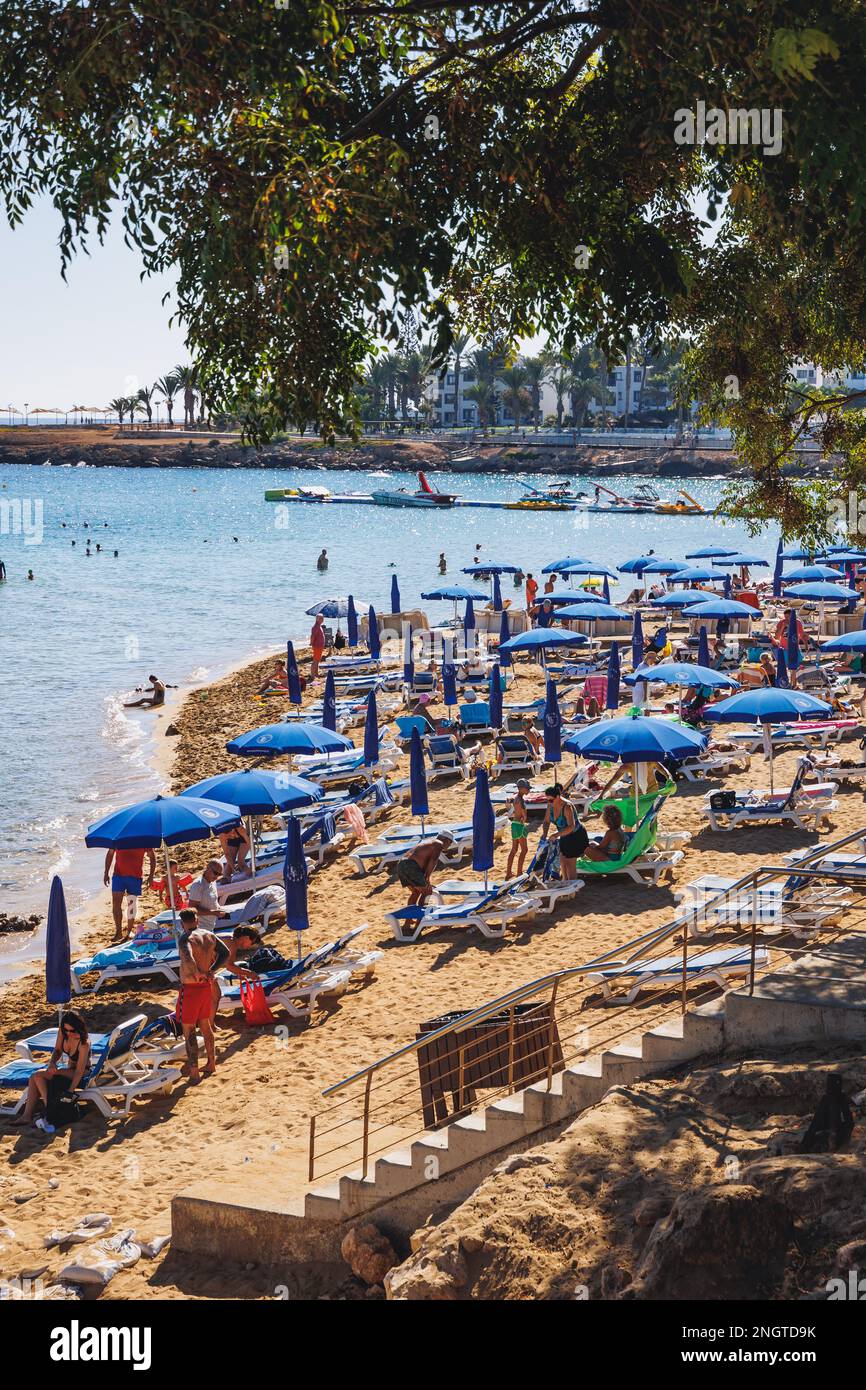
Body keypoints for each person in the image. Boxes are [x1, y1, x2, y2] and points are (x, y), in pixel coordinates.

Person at [11, 1011, 91, 1132]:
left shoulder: (84, 1043)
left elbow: (79, 1071)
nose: (69, 1033)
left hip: (81, 1072)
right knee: (35, 1077)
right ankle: (29, 1115)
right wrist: (52, 1062)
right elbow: (57, 1050)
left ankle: (47, 1111)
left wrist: (70, 1091)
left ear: (79, 1028)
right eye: (66, 1030)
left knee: (38, 1075)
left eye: (72, 1031)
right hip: (69, 1069)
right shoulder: (63, 1033)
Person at [103, 844, 156, 941]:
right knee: (116, 903)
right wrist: (106, 872)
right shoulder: (118, 837)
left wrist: (151, 876)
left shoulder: (142, 838)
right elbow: (110, 853)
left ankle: (128, 932)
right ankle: (118, 932)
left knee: (131, 904)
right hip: (118, 875)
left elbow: (152, 856)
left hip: (135, 877)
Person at [541, 785, 588, 880]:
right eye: (547, 800)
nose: (549, 802)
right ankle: (566, 885)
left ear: (558, 797)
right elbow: (546, 821)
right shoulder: (550, 805)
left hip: (576, 835)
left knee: (570, 864)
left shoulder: (567, 807)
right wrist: (544, 834)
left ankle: (572, 892)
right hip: (564, 835)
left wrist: (556, 835)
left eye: (551, 800)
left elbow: (571, 826)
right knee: (563, 862)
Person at [396, 832, 455, 906]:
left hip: (401, 865)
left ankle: (409, 917)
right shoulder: (438, 843)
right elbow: (433, 861)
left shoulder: (429, 842)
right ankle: (421, 916)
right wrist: (427, 877)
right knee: (427, 892)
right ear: (445, 839)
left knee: (416, 892)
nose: (450, 845)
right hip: (410, 865)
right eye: (450, 842)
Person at [506, 779, 531, 878]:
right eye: (527, 788)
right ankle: (519, 872)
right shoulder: (521, 800)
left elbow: (517, 812)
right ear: (521, 789)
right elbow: (524, 816)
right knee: (524, 850)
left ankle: (508, 873)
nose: (528, 790)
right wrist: (524, 818)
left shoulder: (516, 798)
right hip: (519, 825)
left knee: (514, 849)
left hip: (514, 824)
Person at [310, 613, 326, 677]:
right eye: (321, 618)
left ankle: (316, 674)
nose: (322, 619)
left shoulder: (319, 626)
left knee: (317, 660)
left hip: (319, 646)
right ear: (317, 619)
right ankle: (312, 674)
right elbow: (313, 636)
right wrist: (311, 643)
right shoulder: (316, 626)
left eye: (322, 618)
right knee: (315, 661)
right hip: (317, 646)